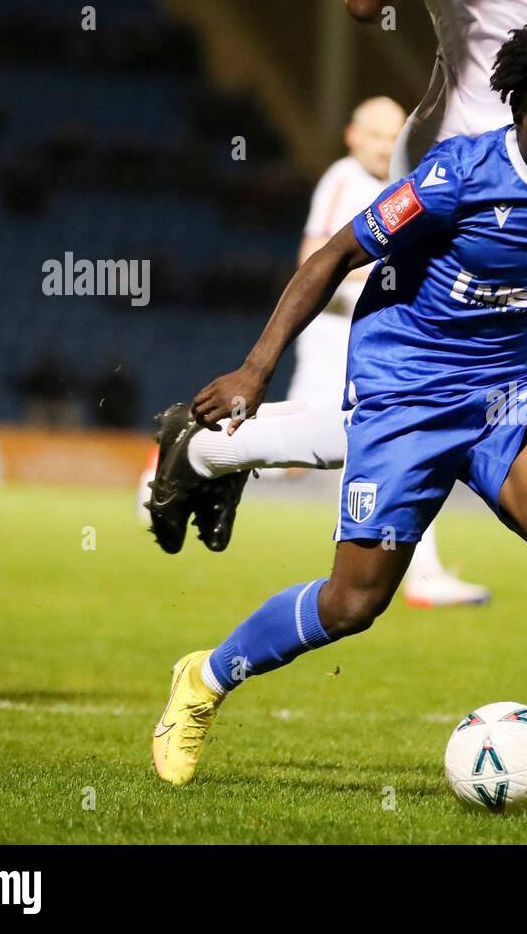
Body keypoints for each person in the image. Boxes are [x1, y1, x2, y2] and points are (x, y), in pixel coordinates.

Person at [151, 13, 527, 817]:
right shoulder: (455, 178)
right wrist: (253, 368)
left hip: (506, 393)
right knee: (353, 604)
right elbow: (333, 257)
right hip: (408, 394)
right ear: (520, 109)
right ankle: (203, 679)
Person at [145, 0, 527, 575]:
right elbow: (363, 3)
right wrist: (255, 368)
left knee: (432, 404)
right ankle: (213, 448)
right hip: (465, 157)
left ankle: (213, 446)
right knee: (409, 409)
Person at [142, 97, 489, 606]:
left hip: (376, 337)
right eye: (374, 135)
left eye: (393, 136)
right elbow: (314, 256)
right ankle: (176, 456)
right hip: (334, 334)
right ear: (352, 135)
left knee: (382, 438)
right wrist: (393, 279)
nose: (383, 146)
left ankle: (192, 447)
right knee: (353, 441)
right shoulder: (343, 180)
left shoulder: (402, 184)